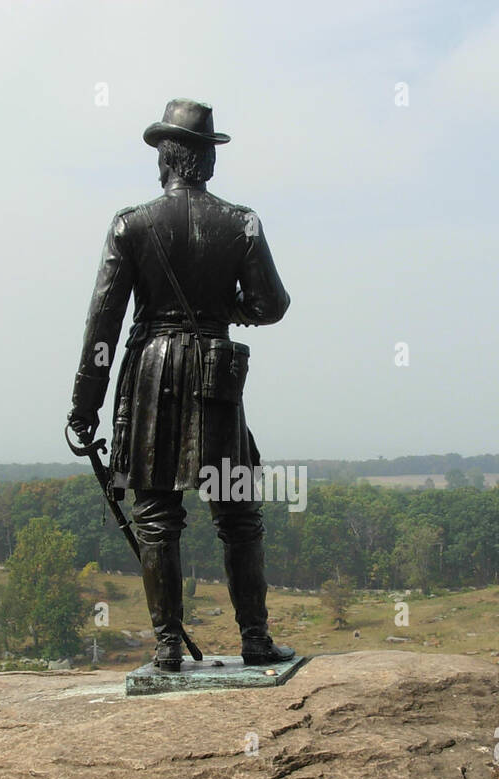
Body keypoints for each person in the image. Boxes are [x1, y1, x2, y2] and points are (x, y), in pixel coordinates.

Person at [67, 98, 294, 672]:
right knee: (239, 510)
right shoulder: (242, 222)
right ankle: (256, 639)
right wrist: (224, 308)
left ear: (165, 161)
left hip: (152, 371)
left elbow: (104, 325)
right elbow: (272, 304)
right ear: (207, 164)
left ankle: (167, 645)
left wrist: (84, 405)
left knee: (156, 515)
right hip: (216, 371)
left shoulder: (132, 224)